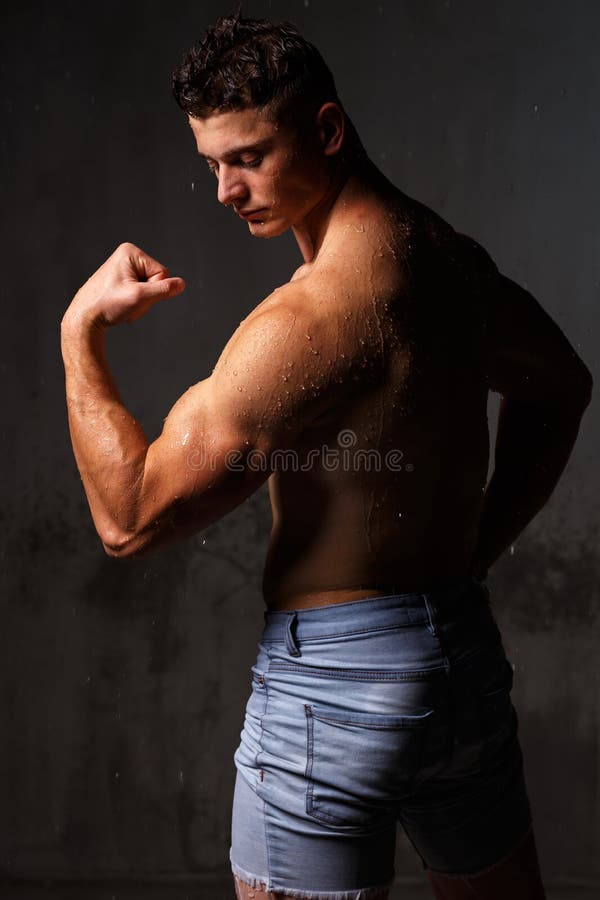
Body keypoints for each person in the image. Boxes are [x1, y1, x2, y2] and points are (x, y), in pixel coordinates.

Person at [60, 11, 592, 900]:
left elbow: (128, 518)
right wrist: (475, 550)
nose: (227, 190)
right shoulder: (447, 261)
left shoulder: (308, 320)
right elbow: (560, 383)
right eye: (212, 165)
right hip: (458, 661)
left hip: (335, 689)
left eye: (249, 157)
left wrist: (79, 333)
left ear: (329, 129)